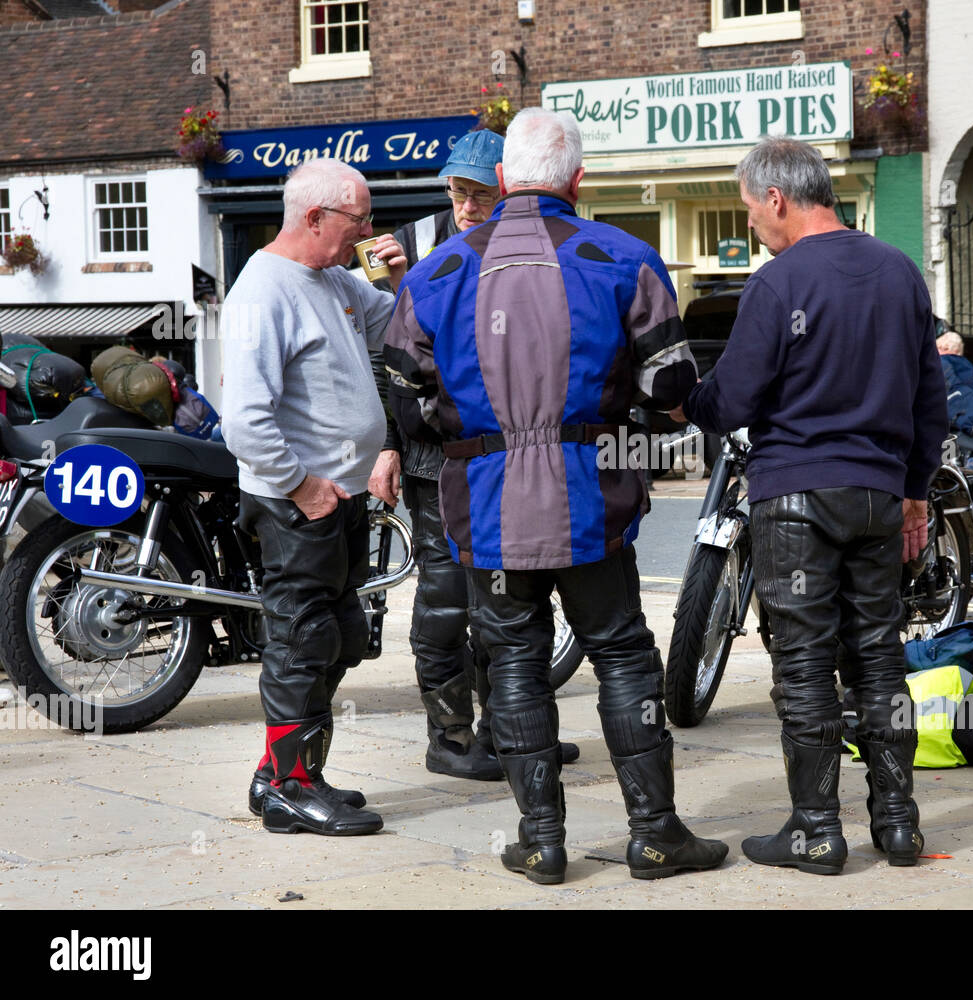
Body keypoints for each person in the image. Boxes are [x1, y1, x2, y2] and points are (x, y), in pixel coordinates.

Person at [382, 108, 728, 884]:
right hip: (590, 501)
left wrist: (464, 421)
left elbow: (405, 400)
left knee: (511, 662)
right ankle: (655, 833)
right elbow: (671, 384)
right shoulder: (625, 257)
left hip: (484, 502)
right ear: (578, 181)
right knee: (623, 656)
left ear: (501, 180)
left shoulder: (435, 272)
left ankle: (540, 840)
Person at [679, 135, 947, 873]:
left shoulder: (778, 282)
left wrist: (683, 401)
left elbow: (732, 398)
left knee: (802, 666)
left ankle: (816, 830)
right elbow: (931, 398)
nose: (752, 229)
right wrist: (916, 490)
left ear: (776, 198)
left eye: (749, 212)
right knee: (879, 660)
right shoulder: (899, 271)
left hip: (795, 498)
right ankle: (898, 824)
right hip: (878, 496)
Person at [367, 129, 579, 780]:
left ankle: (511, 731)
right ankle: (452, 740)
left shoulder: (531, 242)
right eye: (457, 192)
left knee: (511, 600)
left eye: (477, 193)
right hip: (438, 458)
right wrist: (387, 446)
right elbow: (392, 362)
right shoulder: (420, 247)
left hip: (505, 459)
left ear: (509, 189)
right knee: (444, 602)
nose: (463, 207)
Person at [222, 157, 408, 836]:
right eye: (357, 218)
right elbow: (243, 417)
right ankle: (290, 788)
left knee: (337, 639)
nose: (367, 228)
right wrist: (301, 486)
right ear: (313, 217)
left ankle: (286, 773)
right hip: (299, 502)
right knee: (303, 641)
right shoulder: (262, 291)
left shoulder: (335, 280)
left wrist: (400, 272)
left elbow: (406, 328)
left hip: (339, 496)